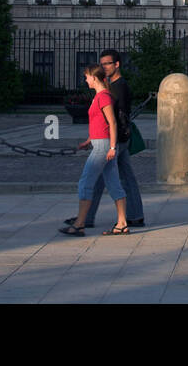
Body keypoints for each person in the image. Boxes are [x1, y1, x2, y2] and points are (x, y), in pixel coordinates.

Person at [64, 49, 145, 231]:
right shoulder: (111, 86)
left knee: (101, 178)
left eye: (107, 63)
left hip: (115, 140)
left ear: (117, 64)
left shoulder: (119, 87)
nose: (104, 67)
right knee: (117, 178)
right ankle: (131, 216)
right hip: (114, 139)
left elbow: (117, 117)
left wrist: (113, 143)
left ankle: (86, 219)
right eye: (102, 64)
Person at [59, 64, 131, 236]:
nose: (85, 80)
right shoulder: (100, 96)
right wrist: (89, 140)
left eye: (87, 77)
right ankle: (122, 223)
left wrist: (112, 147)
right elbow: (101, 124)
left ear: (94, 77)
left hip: (104, 147)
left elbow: (112, 123)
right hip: (101, 144)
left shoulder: (103, 97)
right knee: (113, 184)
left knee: (85, 183)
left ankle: (80, 224)